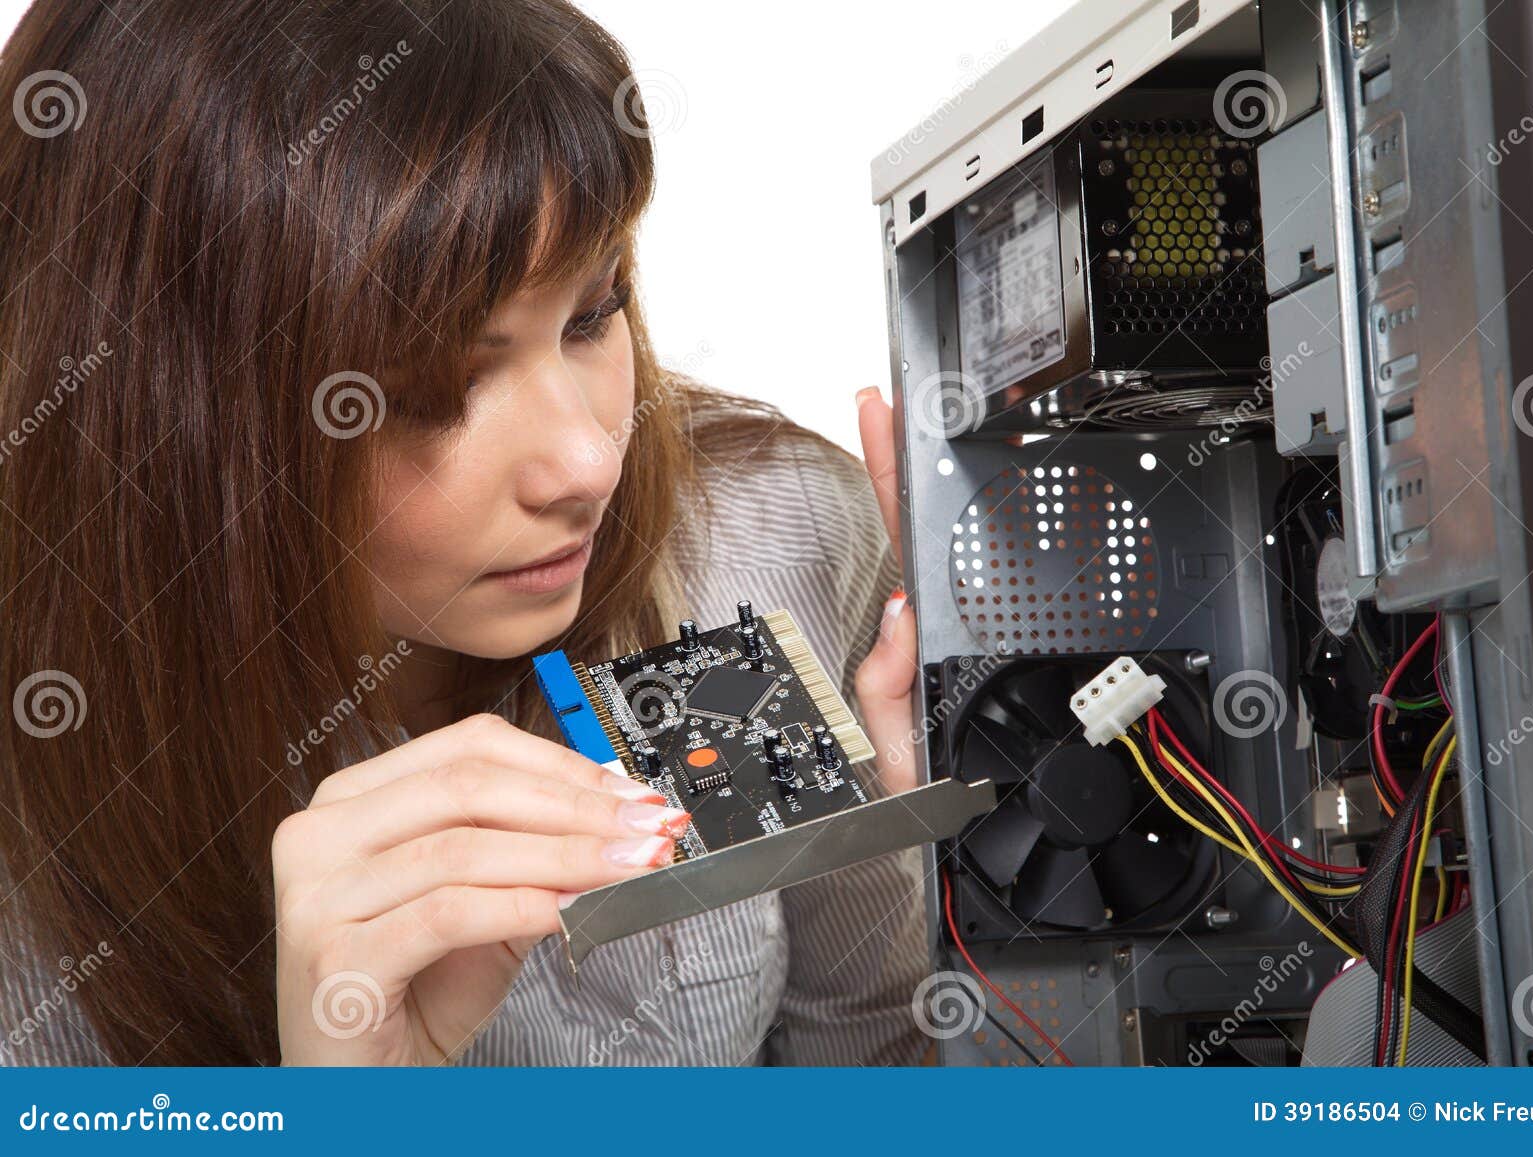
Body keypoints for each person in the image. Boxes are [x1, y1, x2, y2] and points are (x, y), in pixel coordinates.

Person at [0, 0, 925, 1066]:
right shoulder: (48, 797)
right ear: (162, 422)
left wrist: (1010, 846)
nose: (587, 461)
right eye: (429, 386)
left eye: (591, 312)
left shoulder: (756, 549)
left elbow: (883, 1051)